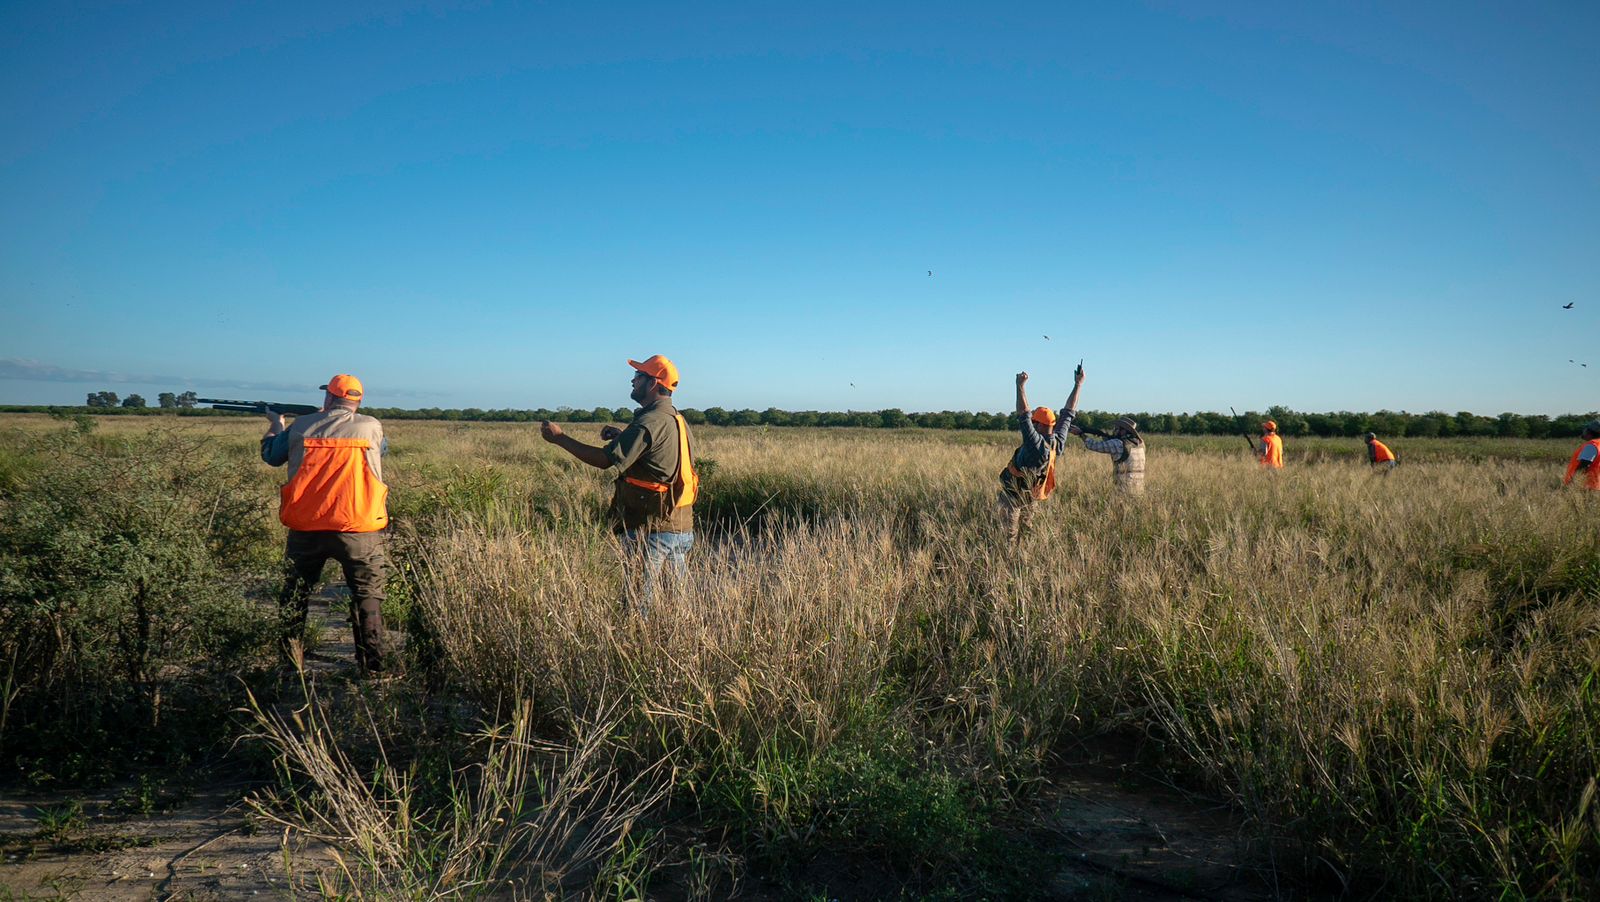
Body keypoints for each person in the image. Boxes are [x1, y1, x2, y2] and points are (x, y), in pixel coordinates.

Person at [541, 356, 699, 613]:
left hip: (652, 529)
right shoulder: (674, 418)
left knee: (637, 609)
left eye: (639, 376)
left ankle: (637, 648)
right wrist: (622, 436)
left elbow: (605, 460)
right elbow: (659, 456)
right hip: (679, 527)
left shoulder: (649, 422)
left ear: (653, 383)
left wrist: (559, 439)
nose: (633, 380)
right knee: (675, 609)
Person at [261, 374, 390, 673]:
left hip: (307, 526)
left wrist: (276, 424)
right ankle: (372, 667)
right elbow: (381, 451)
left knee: (296, 592)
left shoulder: (302, 426)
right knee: (367, 595)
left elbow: (271, 456)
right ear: (357, 401)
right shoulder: (372, 426)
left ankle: (291, 662)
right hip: (359, 527)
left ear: (329, 397)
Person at [997, 367, 1083, 541]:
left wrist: (1019, 386)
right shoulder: (1057, 442)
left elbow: (1023, 415)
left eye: (1035, 422)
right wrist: (1078, 384)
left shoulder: (1035, 444)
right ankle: (1024, 560)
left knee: (1008, 537)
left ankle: (1008, 562)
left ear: (1039, 425)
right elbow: (1068, 413)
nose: (1033, 425)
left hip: (1013, 497)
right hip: (1032, 497)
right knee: (1027, 533)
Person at [1070, 415, 1146, 495]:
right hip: (1139, 489)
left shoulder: (1118, 444)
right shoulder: (1141, 444)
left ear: (1123, 431)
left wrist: (1081, 434)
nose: (1114, 431)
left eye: (1116, 429)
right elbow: (1109, 438)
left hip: (1123, 490)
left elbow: (1093, 445)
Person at [1563, 420, 1600, 491]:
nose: (1583, 431)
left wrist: (1572, 483)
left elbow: (1584, 466)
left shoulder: (1592, 446)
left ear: (1590, 432)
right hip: (1595, 485)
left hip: (1586, 487)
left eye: (1586, 428)